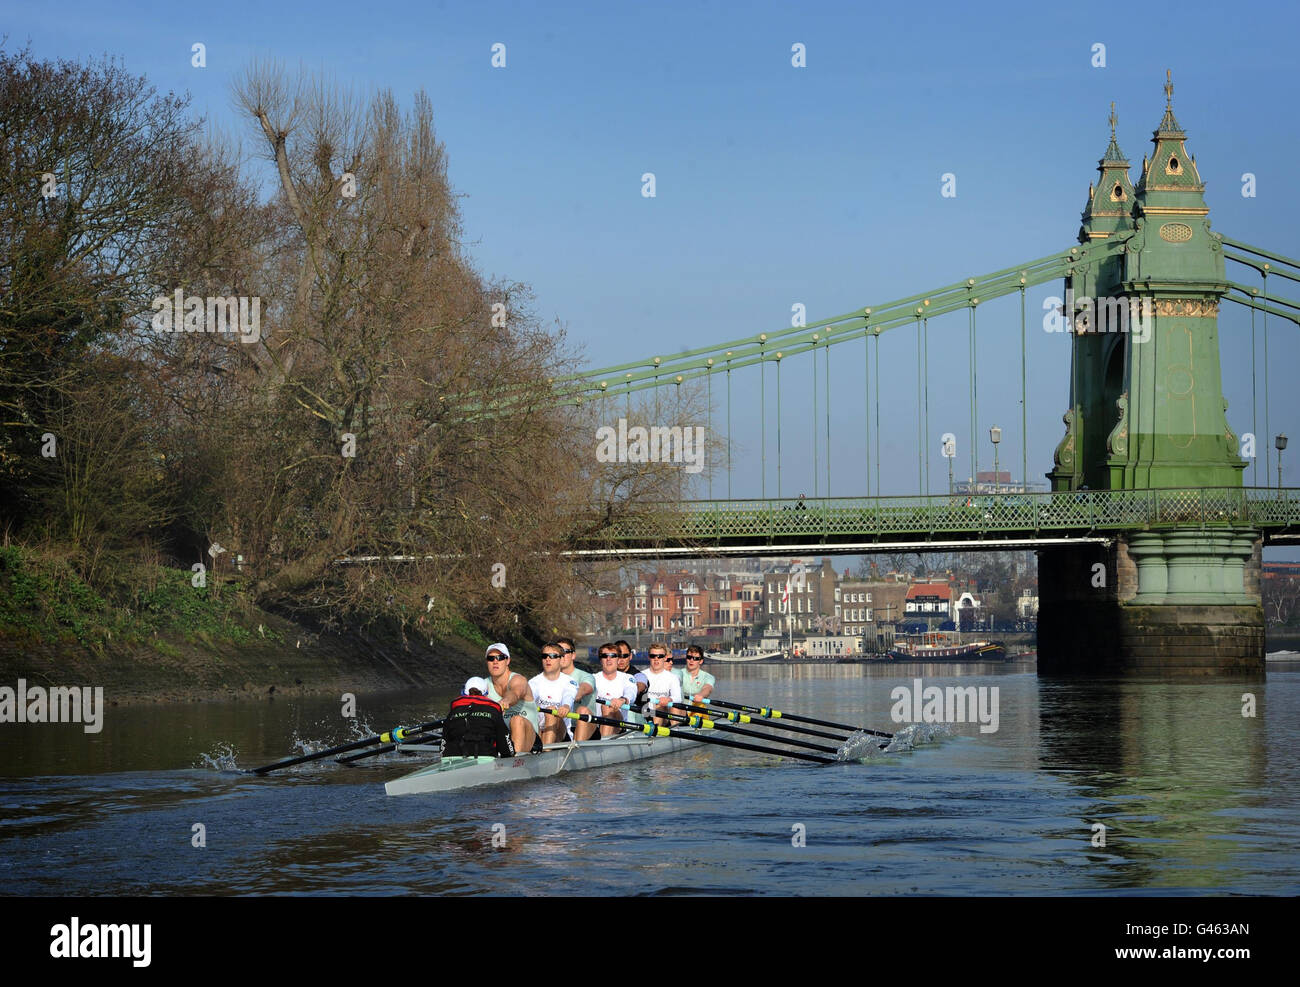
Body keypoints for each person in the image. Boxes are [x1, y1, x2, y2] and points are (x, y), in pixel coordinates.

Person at [482, 643, 542, 753]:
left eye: (500, 658)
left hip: (530, 738)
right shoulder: (483, 685)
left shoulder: (518, 679)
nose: (495, 661)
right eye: (491, 658)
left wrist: (505, 701)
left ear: (507, 661)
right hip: (503, 738)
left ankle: (514, 762)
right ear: (487, 662)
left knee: (516, 719)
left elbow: (515, 693)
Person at [442, 678, 515, 757]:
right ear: (486, 694)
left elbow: (443, 745)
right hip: (485, 757)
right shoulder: (494, 711)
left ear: (464, 693)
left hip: (452, 758)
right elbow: (506, 748)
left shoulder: (453, 712)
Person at [528, 643, 580, 745]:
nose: (548, 659)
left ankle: (545, 753)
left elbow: (568, 696)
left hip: (562, 735)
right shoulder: (533, 682)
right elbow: (530, 697)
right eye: (544, 656)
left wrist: (566, 706)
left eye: (552, 656)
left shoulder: (570, 682)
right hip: (540, 731)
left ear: (561, 660)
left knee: (550, 711)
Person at [590, 643, 640, 738]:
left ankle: (603, 746)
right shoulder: (593, 678)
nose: (608, 659)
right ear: (601, 660)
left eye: (612, 656)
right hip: (595, 725)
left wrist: (623, 700)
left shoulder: (628, 678)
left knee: (607, 707)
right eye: (605, 656)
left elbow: (631, 692)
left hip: (619, 725)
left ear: (618, 659)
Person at [556, 637, 597, 726]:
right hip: (561, 727)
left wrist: (570, 698)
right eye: (558, 652)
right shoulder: (549, 678)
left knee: (582, 710)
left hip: (585, 726)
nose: (561, 655)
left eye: (565, 652)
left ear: (573, 655)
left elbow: (584, 689)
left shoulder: (586, 676)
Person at [643, 645, 683, 725]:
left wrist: (668, 699)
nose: (656, 659)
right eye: (653, 656)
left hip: (663, 712)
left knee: (673, 707)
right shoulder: (641, 675)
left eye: (660, 656)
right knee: (657, 707)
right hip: (645, 712)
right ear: (649, 657)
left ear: (664, 658)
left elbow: (678, 698)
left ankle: (675, 733)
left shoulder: (673, 677)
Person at [614, 639, 649, 706]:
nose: (621, 660)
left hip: (636, 713)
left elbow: (640, 685)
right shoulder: (608, 675)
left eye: (625, 656)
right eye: (618, 656)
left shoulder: (639, 675)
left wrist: (626, 698)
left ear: (630, 656)